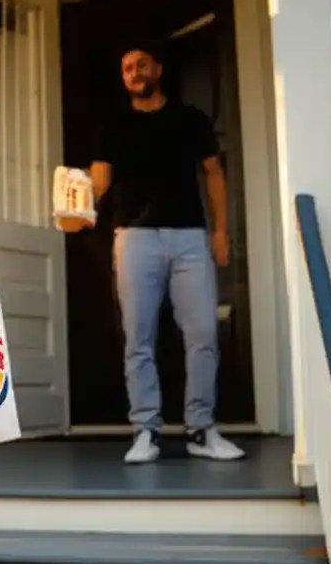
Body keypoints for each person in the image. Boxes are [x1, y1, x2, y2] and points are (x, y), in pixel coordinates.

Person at [89, 44, 245, 464]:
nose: (134, 72)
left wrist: (221, 232)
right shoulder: (113, 125)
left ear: (158, 69)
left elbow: (214, 175)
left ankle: (201, 428)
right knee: (138, 338)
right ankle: (145, 430)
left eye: (141, 64)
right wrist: (74, 203)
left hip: (190, 237)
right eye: (126, 68)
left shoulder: (191, 119)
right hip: (135, 237)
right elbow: (99, 182)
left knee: (203, 336)